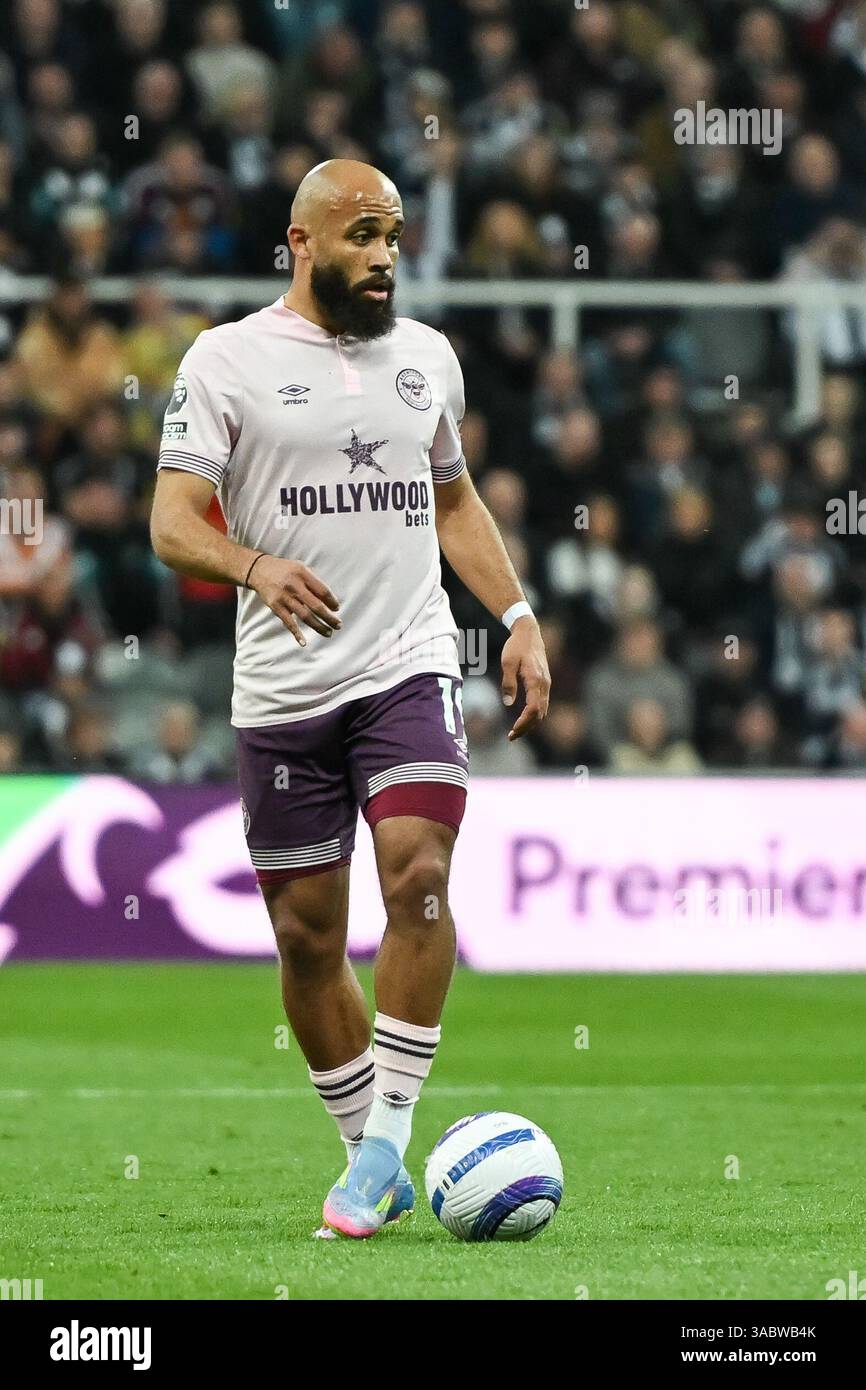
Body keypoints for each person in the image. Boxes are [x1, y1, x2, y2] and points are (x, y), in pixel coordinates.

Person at [149, 158, 550, 1238]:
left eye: (394, 236)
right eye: (362, 236)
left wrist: (513, 617)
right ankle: (360, 1150)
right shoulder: (223, 359)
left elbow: (453, 499)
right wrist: (252, 565)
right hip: (283, 688)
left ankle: (384, 1144)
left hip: (406, 663)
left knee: (417, 873)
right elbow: (172, 520)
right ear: (303, 241)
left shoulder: (427, 359)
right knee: (308, 940)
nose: (382, 256)